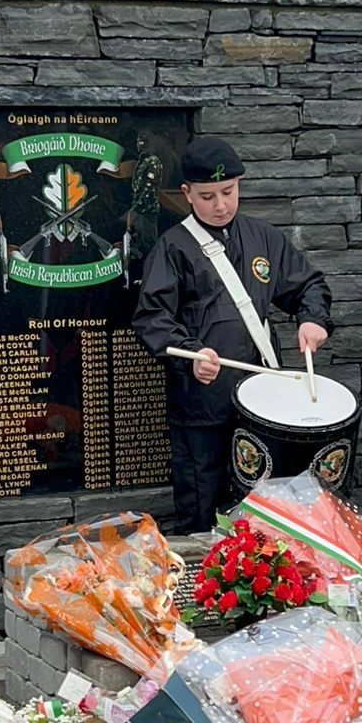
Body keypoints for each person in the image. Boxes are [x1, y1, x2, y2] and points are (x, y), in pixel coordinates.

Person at [133, 136, 333, 534]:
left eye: (228, 192)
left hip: (264, 401)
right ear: (187, 194)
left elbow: (308, 284)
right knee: (201, 508)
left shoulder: (263, 238)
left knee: (265, 508)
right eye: (208, 196)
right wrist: (190, 355)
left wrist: (313, 319)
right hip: (201, 405)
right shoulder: (173, 247)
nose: (221, 205)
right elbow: (152, 317)